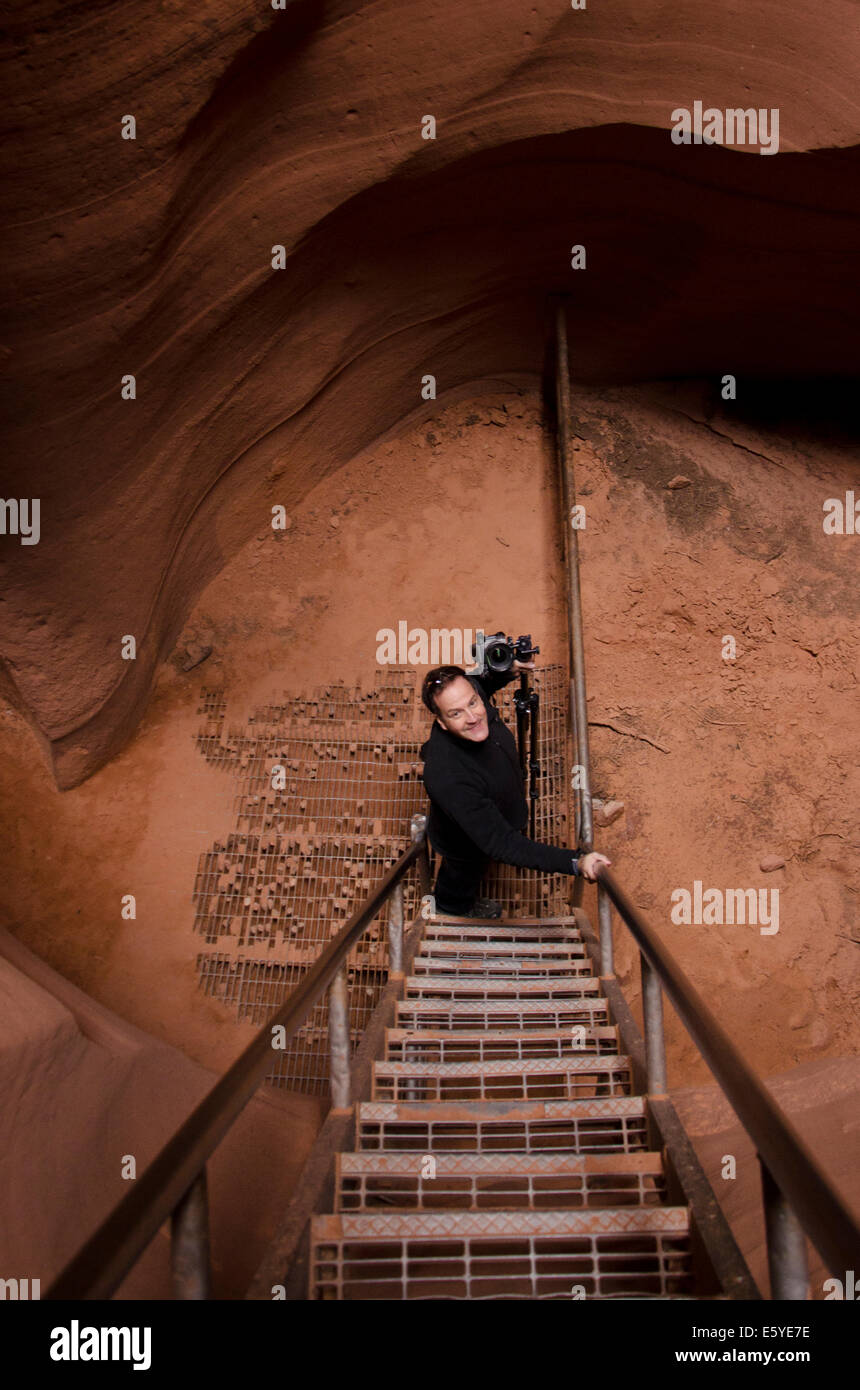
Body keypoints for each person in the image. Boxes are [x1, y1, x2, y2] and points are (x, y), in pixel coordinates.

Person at [419, 659, 611, 918]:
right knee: (462, 873)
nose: (473, 717)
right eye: (456, 714)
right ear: (441, 722)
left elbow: (482, 685)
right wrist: (576, 862)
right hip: (465, 840)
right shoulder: (448, 776)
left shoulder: (470, 696)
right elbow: (502, 844)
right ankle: (450, 908)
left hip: (495, 801)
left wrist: (505, 673)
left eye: (473, 703)